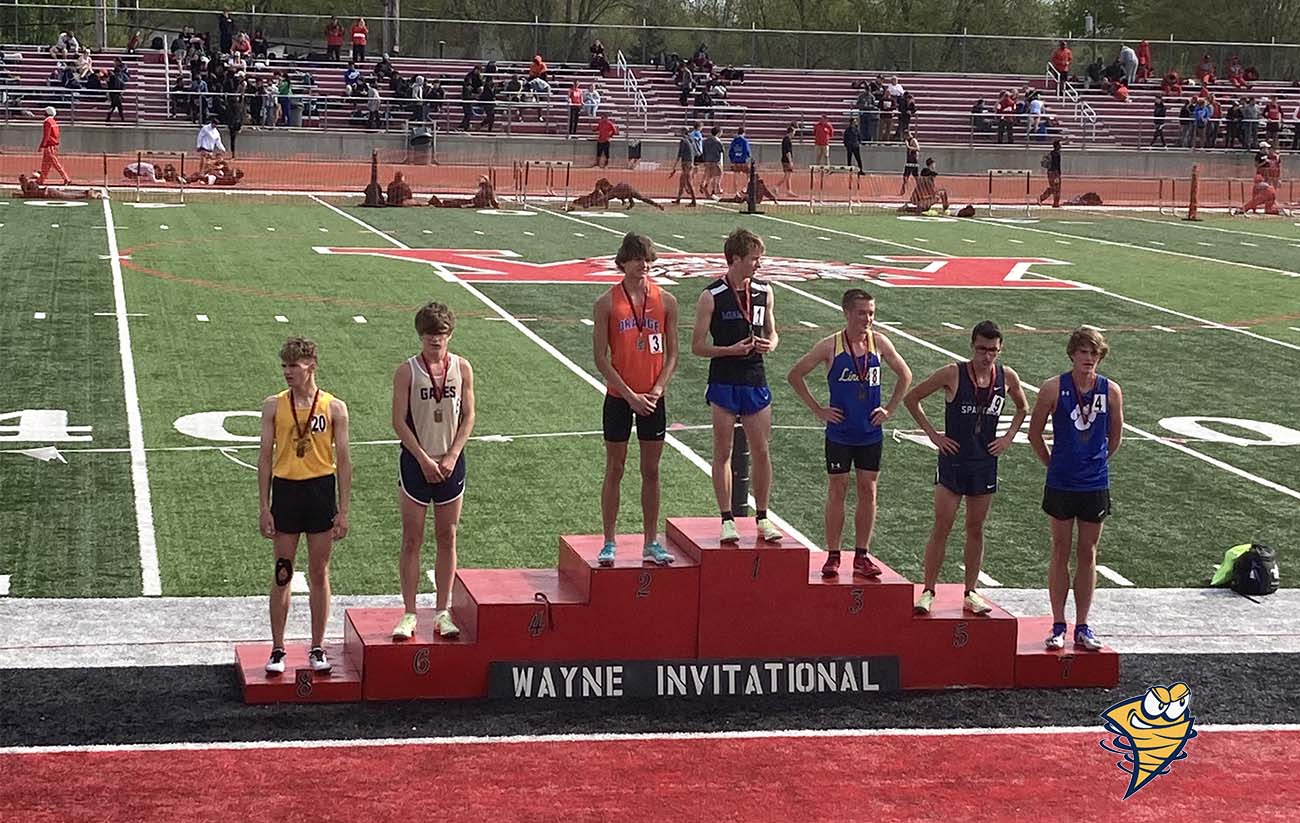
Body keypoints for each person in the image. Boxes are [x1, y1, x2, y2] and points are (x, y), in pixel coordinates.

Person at [903, 321, 1028, 615]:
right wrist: (934, 436)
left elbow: (1023, 408)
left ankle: (971, 592)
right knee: (942, 526)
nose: (987, 356)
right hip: (953, 461)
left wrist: (1007, 438)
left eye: (993, 350)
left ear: (1000, 349)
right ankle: (928, 590)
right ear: (972, 346)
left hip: (984, 462)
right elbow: (912, 398)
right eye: (982, 349)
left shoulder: (1007, 376)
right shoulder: (953, 373)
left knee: (975, 528)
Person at [788, 289, 911, 578]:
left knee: (868, 490)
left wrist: (889, 409)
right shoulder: (830, 346)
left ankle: (861, 555)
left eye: (871, 313)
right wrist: (818, 409)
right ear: (847, 313)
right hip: (840, 433)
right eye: (861, 313)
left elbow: (905, 374)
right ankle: (833, 554)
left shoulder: (879, 343)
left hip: (870, 432)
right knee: (837, 490)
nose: (867, 319)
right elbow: (795, 374)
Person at [257, 337, 352, 675]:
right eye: (284, 365)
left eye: (293, 366)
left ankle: (317, 646)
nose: (287, 372)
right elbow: (264, 458)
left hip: (319, 490)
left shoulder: (334, 407)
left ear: (311, 366)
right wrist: (264, 506)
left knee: (319, 572)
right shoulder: (273, 406)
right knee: (283, 571)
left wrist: (343, 510)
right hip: (286, 490)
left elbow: (344, 461)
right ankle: (277, 648)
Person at [1027, 327, 1124, 652]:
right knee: (1060, 550)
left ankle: (1083, 624)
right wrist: (1052, 464)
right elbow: (1034, 433)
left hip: (1094, 483)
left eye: (1094, 353)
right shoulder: (1053, 388)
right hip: (1062, 482)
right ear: (1072, 354)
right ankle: (1058, 624)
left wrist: (1096, 463)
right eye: (1083, 352)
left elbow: (1115, 436)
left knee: (1088, 552)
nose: (1088, 358)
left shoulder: (1111, 391)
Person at [592, 233, 680, 566]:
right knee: (615, 468)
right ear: (623, 262)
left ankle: (651, 542)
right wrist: (630, 396)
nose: (643, 264)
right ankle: (609, 541)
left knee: (651, 470)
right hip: (619, 397)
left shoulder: (666, 301)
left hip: (653, 399)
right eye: (636, 258)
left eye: (647, 259)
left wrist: (657, 390)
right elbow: (600, 358)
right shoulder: (606, 303)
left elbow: (673, 354)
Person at [391, 303, 477, 640]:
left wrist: (452, 455)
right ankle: (409, 612)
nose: (435, 341)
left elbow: (469, 415)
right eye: (429, 335)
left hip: (451, 462)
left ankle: (443, 611)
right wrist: (424, 459)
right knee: (412, 538)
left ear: (450, 335)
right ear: (420, 336)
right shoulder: (407, 371)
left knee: (447, 535)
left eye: (440, 334)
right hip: (417, 462)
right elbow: (398, 421)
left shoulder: (462, 367)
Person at [692, 228, 782, 545]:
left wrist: (770, 344)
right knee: (723, 451)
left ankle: (763, 517)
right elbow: (697, 346)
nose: (759, 264)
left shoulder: (764, 291)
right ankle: (727, 519)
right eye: (754, 259)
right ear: (736, 259)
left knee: (761, 450)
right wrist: (729, 350)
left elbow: (773, 332)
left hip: (755, 377)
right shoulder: (712, 295)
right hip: (724, 379)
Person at [571, 177, 664, 211]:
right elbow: (605, 198)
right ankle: (657, 205)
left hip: (627, 189)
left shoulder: (614, 192)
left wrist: (590, 204)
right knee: (640, 197)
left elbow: (604, 198)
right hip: (626, 189)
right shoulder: (615, 191)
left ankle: (657, 205)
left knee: (640, 197)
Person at [36, 107, 70, 186]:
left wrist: (42, 145)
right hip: (53, 145)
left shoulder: (47, 122)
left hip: (49, 146)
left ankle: (66, 178)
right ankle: (41, 180)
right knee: (45, 164)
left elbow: (46, 135)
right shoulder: (54, 122)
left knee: (54, 163)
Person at [427, 176, 500, 209]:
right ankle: (438, 201)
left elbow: (490, 199)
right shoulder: (484, 188)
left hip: (473, 203)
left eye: (481, 179)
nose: (479, 181)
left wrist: (494, 205)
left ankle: (437, 202)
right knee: (456, 201)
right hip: (472, 201)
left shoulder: (487, 189)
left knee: (456, 203)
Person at [668, 126, 697, 206]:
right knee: (682, 182)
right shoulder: (691, 140)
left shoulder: (683, 141)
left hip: (686, 163)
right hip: (689, 162)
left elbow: (679, 154)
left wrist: (674, 166)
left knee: (689, 182)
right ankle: (678, 199)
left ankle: (694, 201)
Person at [14, 173, 101, 199]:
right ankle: (85, 192)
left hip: (49, 193)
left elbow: (30, 194)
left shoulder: (30, 186)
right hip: (49, 191)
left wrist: (19, 195)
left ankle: (86, 194)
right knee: (68, 194)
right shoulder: (29, 186)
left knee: (68, 196)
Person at [727, 127, 752, 197]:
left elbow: (730, 152)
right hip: (743, 161)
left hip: (736, 161)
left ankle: (736, 192)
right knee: (748, 175)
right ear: (744, 133)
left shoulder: (734, 141)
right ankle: (745, 188)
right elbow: (747, 151)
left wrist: (732, 160)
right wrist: (748, 157)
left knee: (736, 177)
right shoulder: (745, 141)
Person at [1038, 139, 1062, 208]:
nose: (1061, 146)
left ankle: (1055, 203)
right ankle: (1042, 198)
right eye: (1060, 144)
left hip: (1053, 172)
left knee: (1056, 188)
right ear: (1057, 145)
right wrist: (1058, 174)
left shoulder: (1056, 154)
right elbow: (1056, 165)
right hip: (1053, 173)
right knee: (1054, 188)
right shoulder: (1054, 154)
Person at [778, 124, 797, 197]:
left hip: (785, 160)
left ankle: (789, 190)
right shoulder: (787, 140)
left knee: (788, 176)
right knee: (787, 176)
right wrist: (790, 161)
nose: (794, 134)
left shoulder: (785, 139)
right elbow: (788, 152)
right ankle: (776, 186)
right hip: (786, 161)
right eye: (794, 132)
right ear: (791, 132)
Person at [899, 130, 920, 196]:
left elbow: (918, 148)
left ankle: (920, 188)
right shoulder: (907, 141)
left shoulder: (913, 140)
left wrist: (908, 146)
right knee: (905, 175)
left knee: (915, 176)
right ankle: (903, 189)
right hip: (908, 161)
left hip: (913, 161)